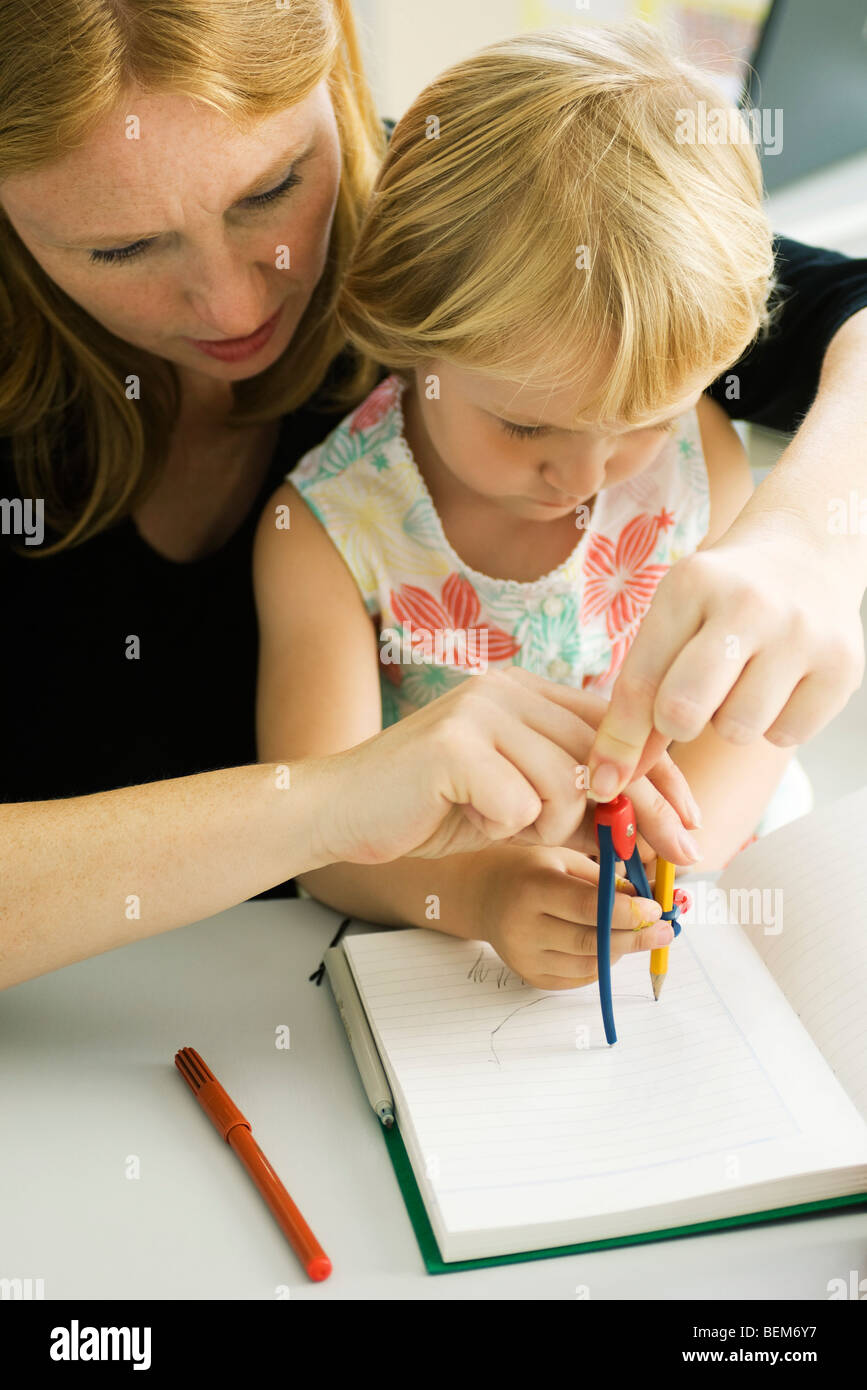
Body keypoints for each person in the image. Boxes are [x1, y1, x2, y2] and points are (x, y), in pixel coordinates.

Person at [1, 2, 865, 989]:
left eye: (273, 187)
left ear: (339, 65)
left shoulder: (507, 219)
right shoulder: (340, 510)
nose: (238, 307)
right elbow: (339, 849)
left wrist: (811, 538)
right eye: (121, 249)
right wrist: (465, 880)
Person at [254, 23, 832, 987]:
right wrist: (481, 892)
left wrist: (678, 865)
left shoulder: (696, 451)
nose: (587, 476)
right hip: (466, 946)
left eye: (640, 420)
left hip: (730, 890)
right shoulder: (327, 532)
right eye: (526, 430)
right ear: (405, 328)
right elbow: (321, 842)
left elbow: (750, 727)